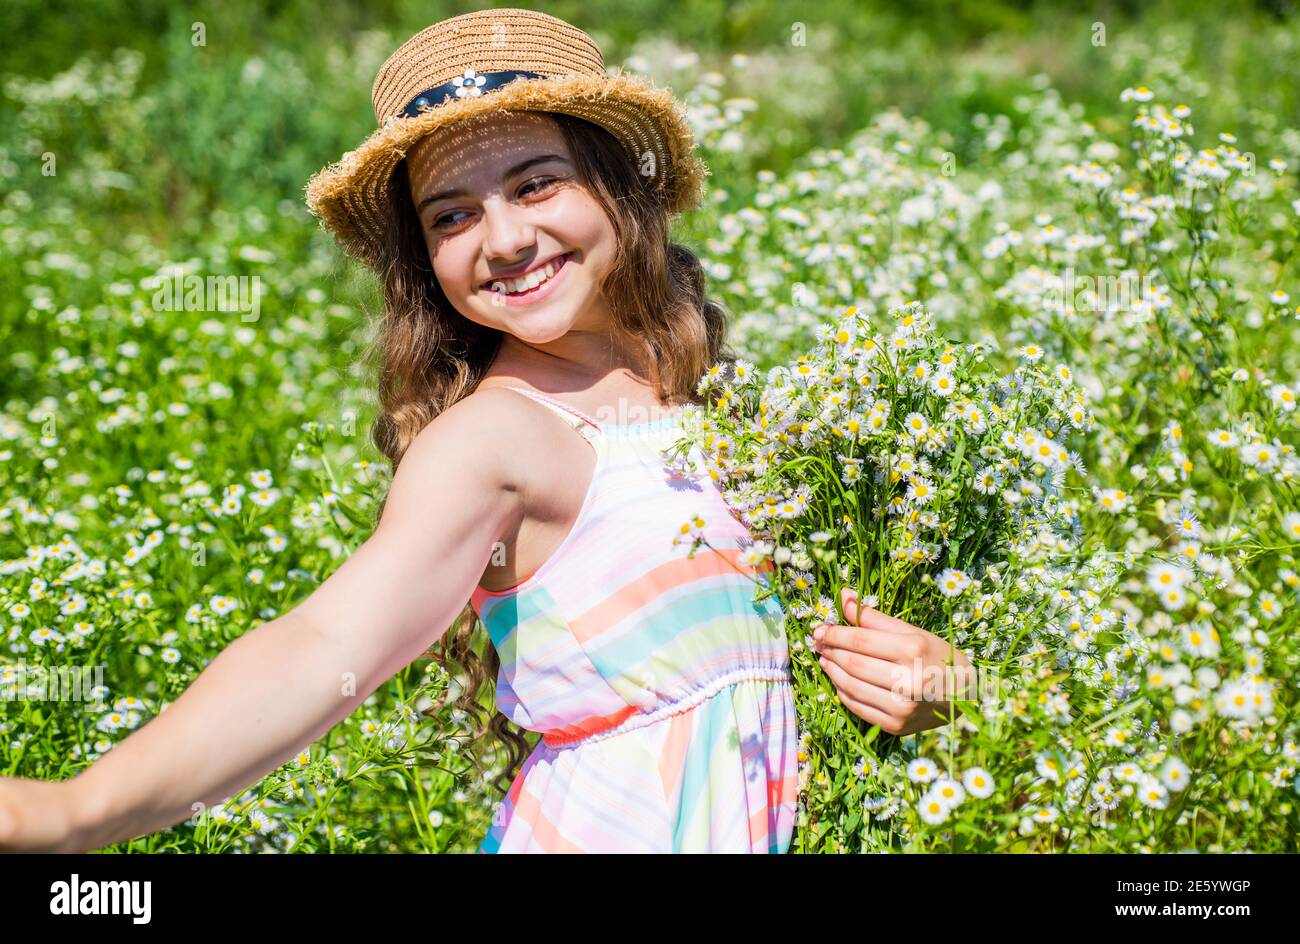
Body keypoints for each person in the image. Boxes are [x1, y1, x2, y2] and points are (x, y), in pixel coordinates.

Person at [0, 8, 968, 854]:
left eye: (538, 184)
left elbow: (837, 654)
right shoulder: (492, 441)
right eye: (452, 215)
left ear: (620, 189)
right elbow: (323, 639)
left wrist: (939, 684)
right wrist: (75, 811)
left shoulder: (727, 407)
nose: (501, 239)